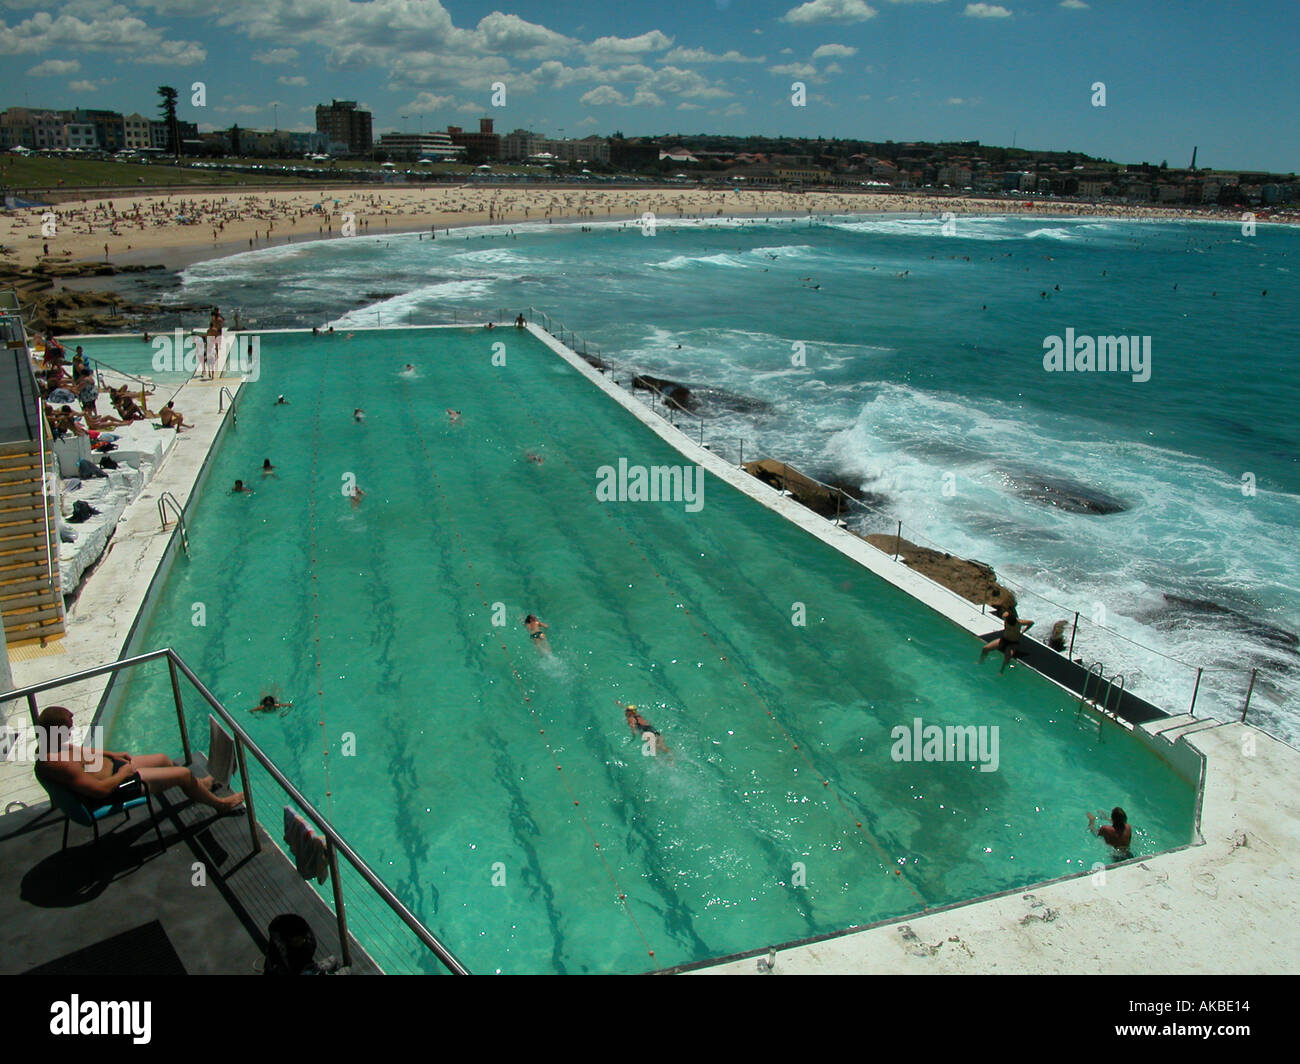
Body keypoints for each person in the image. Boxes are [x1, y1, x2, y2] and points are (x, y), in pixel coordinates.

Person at [34, 705, 244, 814]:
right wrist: (123, 774)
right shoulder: (58, 764)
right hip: (115, 786)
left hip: (114, 772)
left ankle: (199, 786)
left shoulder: (50, 744)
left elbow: (80, 752)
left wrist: (111, 755)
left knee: (162, 758)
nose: (71, 731)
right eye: (68, 729)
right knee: (183, 773)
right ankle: (220, 805)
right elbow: (99, 791)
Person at [980, 605, 1033, 674]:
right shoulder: (1005, 617)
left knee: (1007, 658)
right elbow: (1005, 612)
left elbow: (1031, 623)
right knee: (985, 648)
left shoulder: (1019, 622)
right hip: (1004, 640)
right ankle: (981, 661)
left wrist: (1022, 632)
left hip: (1013, 643)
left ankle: (1001, 671)